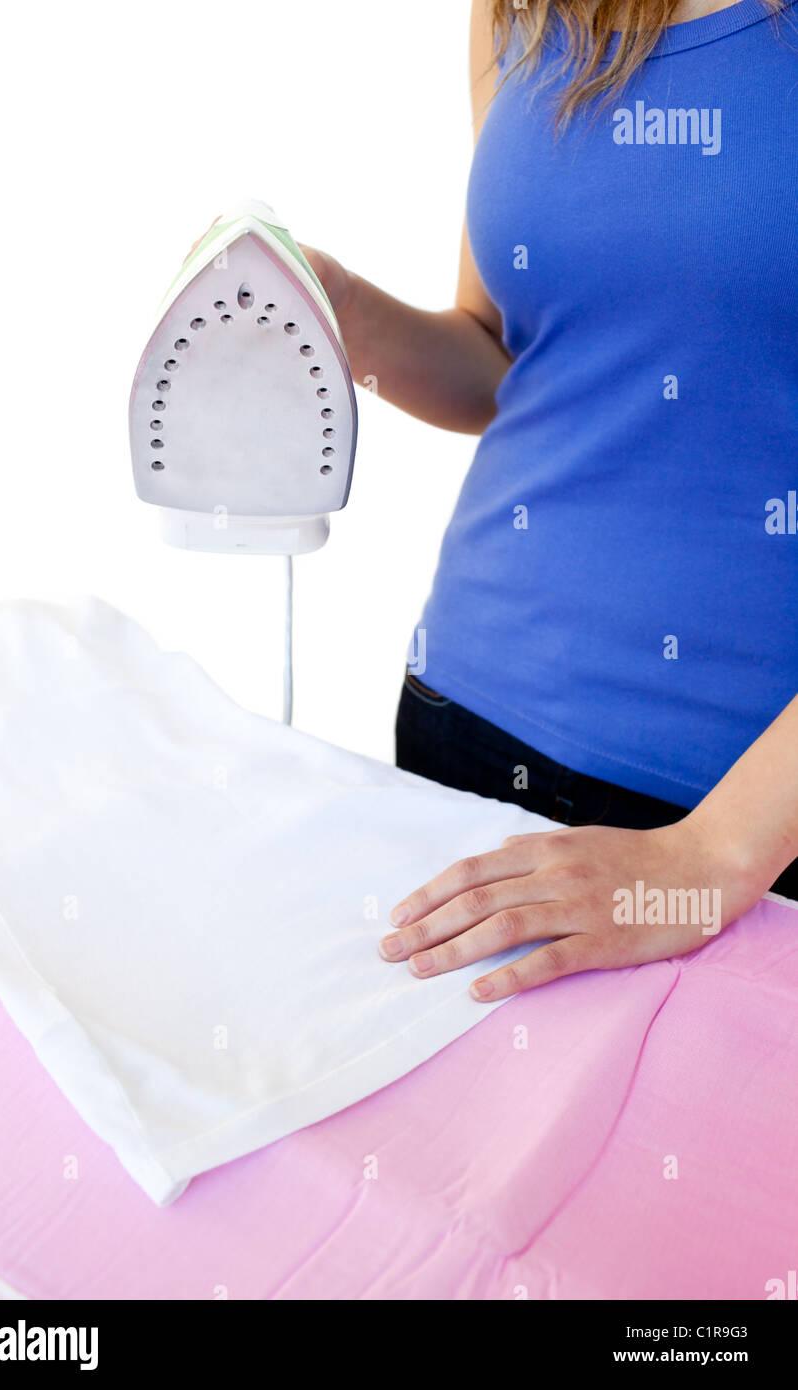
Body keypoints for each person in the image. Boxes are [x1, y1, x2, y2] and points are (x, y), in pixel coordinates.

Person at [299, 0, 798, 999]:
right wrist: (346, 314)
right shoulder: (520, 12)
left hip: (745, 818)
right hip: (463, 726)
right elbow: (506, 361)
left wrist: (708, 859)